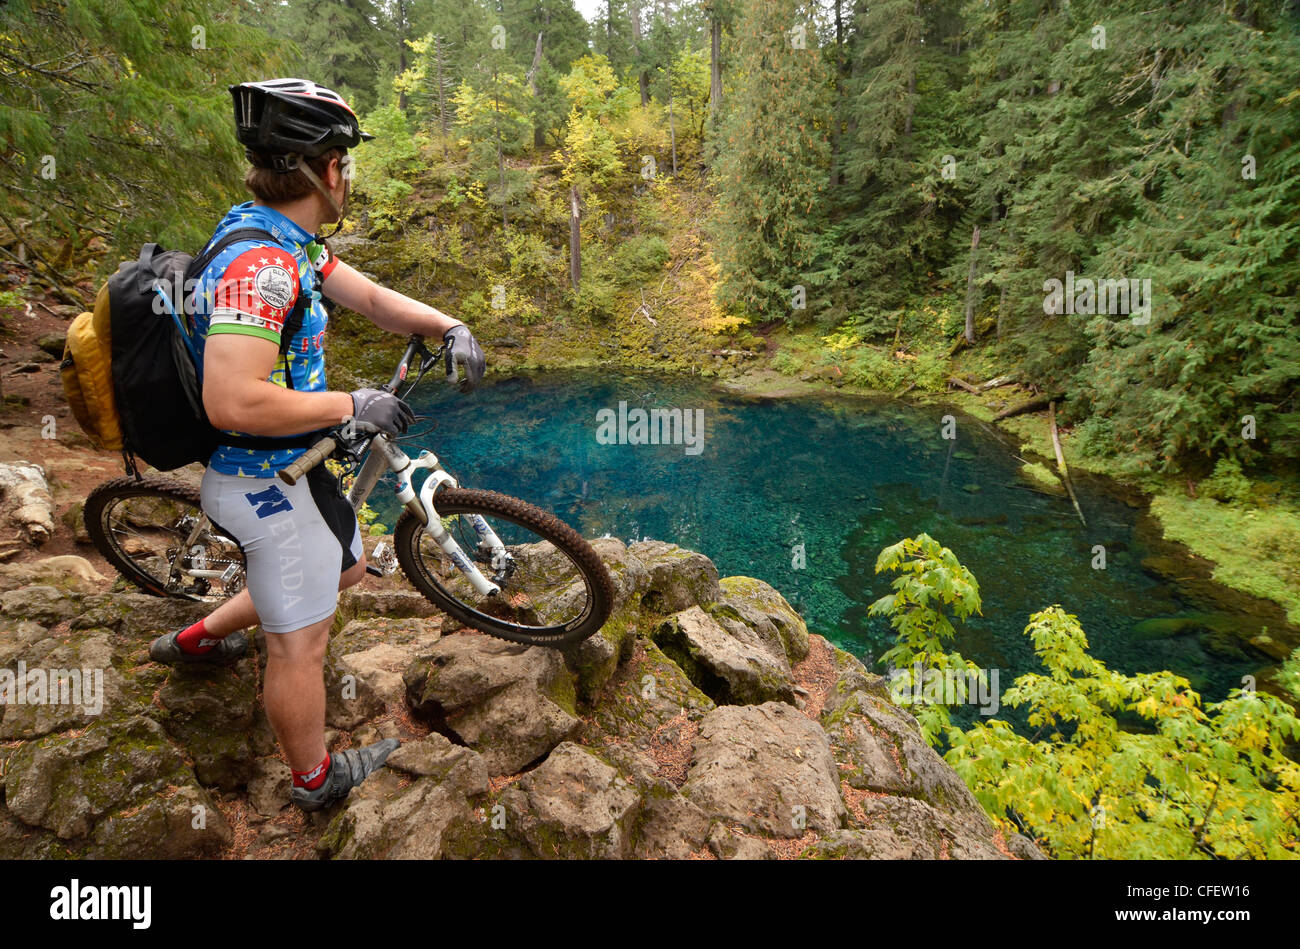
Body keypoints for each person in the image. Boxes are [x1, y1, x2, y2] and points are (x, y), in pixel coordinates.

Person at [147, 78, 485, 812]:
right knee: (299, 643)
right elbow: (232, 398)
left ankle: (199, 636)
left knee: (348, 567)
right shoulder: (261, 268)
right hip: (259, 481)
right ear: (327, 170)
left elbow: (364, 295)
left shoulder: (281, 237)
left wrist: (445, 324)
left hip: (297, 462)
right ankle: (314, 779)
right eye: (346, 163)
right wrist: (352, 403)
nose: (348, 178)